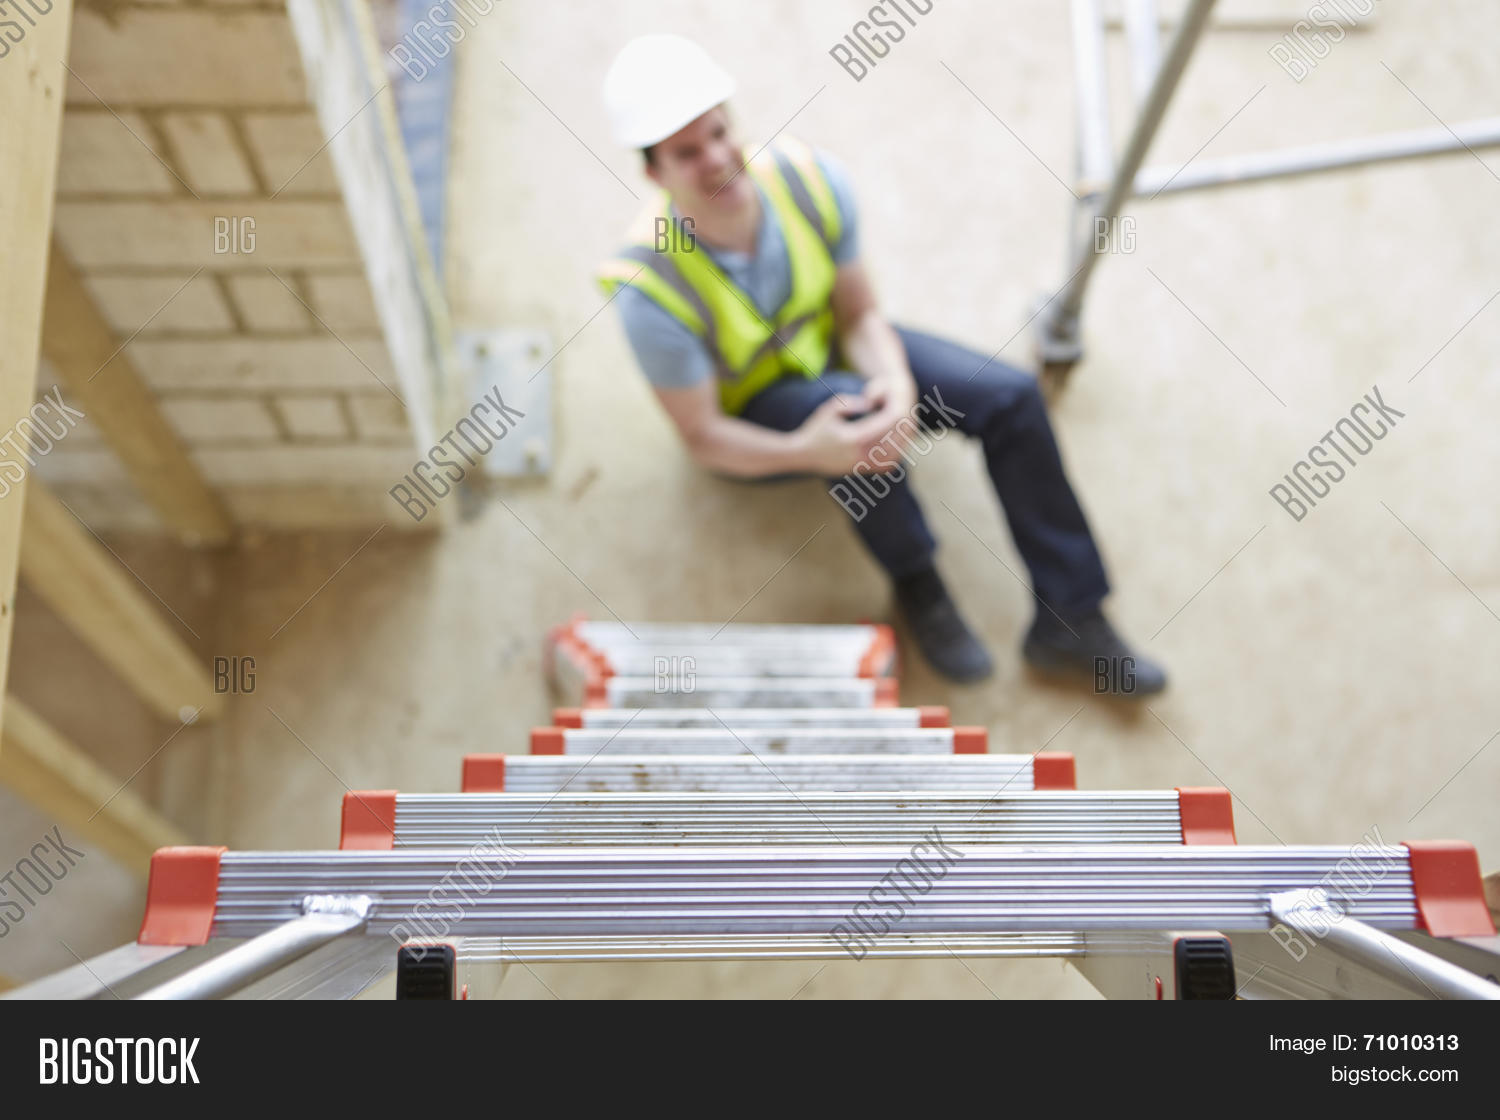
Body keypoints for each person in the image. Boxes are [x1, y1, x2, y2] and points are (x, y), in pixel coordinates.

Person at [596, 33, 1165, 695]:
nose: (719, 160)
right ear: (653, 174)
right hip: (759, 417)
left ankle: (1071, 617)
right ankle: (917, 581)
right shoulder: (649, 286)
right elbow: (703, 437)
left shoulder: (809, 183)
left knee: (1008, 397)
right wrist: (810, 451)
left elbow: (860, 314)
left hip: (840, 353)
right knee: (855, 421)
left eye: (721, 133)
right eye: (687, 153)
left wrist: (896, 384)